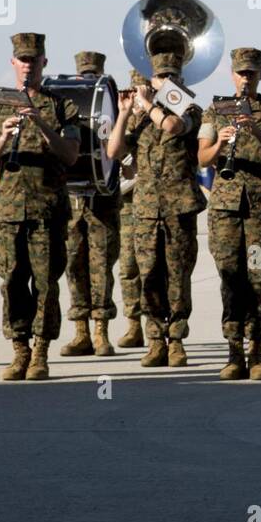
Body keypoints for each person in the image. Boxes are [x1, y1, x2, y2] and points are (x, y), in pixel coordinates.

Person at [0, 33, 80, 380]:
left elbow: (70, 155)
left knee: (46, 284)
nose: (28, 65)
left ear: (44, 63)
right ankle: (19, 350)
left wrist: (40, 122)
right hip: (9, 212)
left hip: (48, 210)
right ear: (13, 63)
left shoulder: (63, 107)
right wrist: (5, 136)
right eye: (22, 59)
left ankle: (41, 353)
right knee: (12, 282)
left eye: (34, 59)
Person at [198, 47, 261, 380]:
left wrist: (257, 131)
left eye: (252, 73)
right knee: (230, 277)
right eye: (241, 73)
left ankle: (256, 353)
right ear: (233, 75)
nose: (246, 78)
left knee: (259, 276)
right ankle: (233, 351)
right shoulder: (215, 110)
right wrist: (221, 143)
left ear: (259, 76)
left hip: (260, 210)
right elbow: (202, 158)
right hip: (225, 209)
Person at [107, 50, 205, 367]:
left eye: (171, 78)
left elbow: (174, 126)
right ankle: (154, 340)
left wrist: (149, 104)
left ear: (180, 81)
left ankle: (175, 341)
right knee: (149, 275)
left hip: (179, 208)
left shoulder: (192, 109)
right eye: (160, 78)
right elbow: (114, 150)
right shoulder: (141, 119)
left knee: (178, 276)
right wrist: (124, 113)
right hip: (147, 210)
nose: (165, 84)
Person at [60, 50, 121, 358]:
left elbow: (118, 149)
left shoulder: (114, 104)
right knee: (73, 265)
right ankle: (80, 331)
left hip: (103, 200)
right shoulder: (66, 105)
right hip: (72, 200)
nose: (88, 76)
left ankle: (101, 332)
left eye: (92, 72)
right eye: (84, 72)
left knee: (101, 267)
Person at [115, 69, 149, 349]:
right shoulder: (123, 118)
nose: (138, 94)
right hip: (128, 205)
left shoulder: (159, 115)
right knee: (128, 268)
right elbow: (113, 151)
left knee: (154, 268)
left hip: (154, 202)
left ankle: (156, 326)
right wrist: (124, 113)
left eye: (143, 88)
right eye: (135, 88)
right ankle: (133, 324)